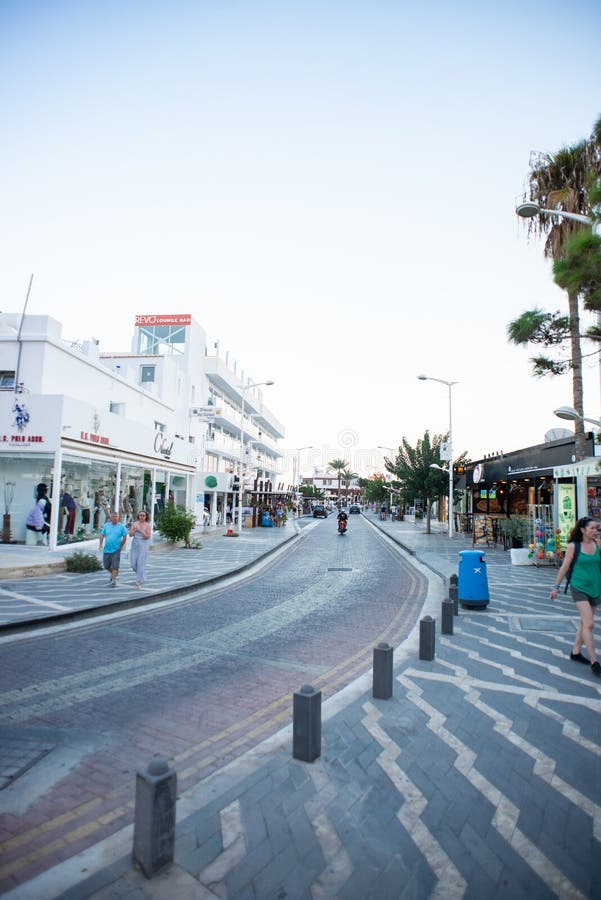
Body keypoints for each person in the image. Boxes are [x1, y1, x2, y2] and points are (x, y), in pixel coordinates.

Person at [551, 516, 601, 677]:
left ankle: (576, 652)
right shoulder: (574, 546)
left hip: (595, 587)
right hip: (578, 587)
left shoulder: (598, 544)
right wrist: (556, 587)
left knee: (584, 622)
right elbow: (565, 567)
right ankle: (594, 661)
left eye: (596, 528)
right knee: (589, 623)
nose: (595, 531)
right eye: (592, 528)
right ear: (583, 530)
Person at [99, 510, 128, 587]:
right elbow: (102, 534)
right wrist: (100, 544)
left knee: (115, 565)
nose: (115, 518)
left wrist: (121, 546)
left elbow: (125, 536)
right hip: (107, 549)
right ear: (110, 518)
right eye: (113, 516)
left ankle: (114, 580)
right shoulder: (106, 525)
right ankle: (114, 574)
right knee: (106, 565)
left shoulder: (121, 526)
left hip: (116, 549)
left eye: (116, 517)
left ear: (118, 518)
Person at [129, 510, 151, 587]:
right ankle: (142, 574)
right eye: (140, 515)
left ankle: (138, 579)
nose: (142, 517)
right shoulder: (134, 524)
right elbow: (130, 535)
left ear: (146, 517)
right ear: (138, 516)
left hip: (144, 545)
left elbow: (147, 537)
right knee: (133, 563)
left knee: (140, 563)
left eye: (143, 515)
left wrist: (140, 530)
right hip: (135, 544)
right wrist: (135, 530)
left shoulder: (147, 525)